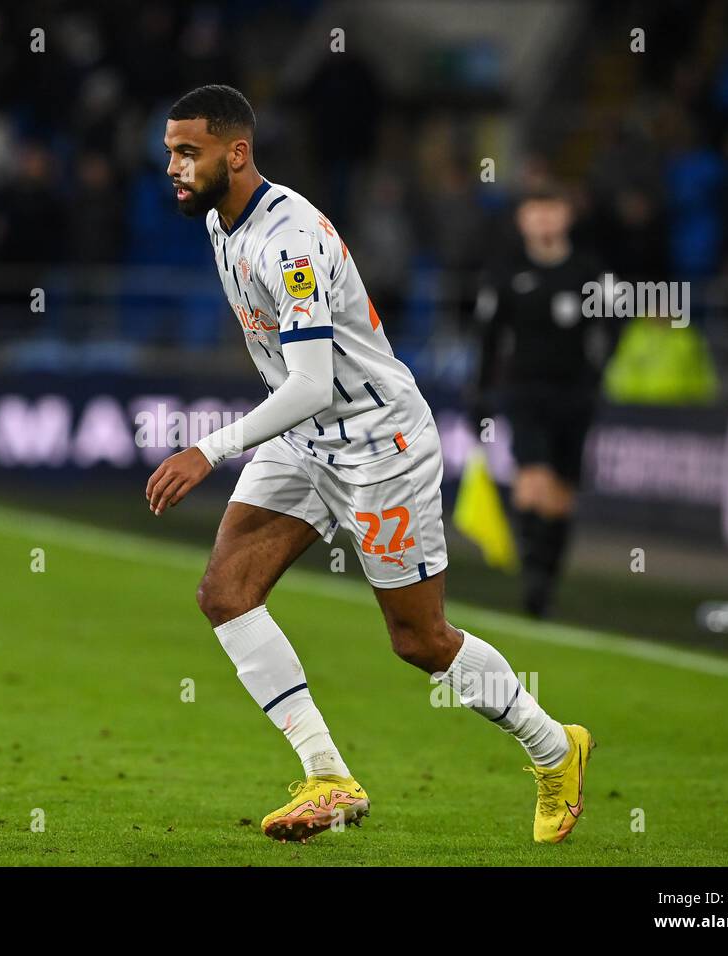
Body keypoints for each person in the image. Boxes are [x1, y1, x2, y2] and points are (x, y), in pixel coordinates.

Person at [146, 85, 594, 845]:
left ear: (237, 152)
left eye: (188, 153)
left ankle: (556, 749)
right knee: (225, 592)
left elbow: (314, 381)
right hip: (305, 440)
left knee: (419, 641)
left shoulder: (286, 238)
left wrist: (210, 447)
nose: (174, 169)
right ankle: (328, 776)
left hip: (377, 444)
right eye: (170, 154)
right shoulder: (223, 225)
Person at [473, 187, 612, 618]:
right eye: (536, 212)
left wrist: (597, 375)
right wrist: (481, 392)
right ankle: (532, 581)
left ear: (566, 215)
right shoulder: (506, 272)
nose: (545, 220)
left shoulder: (590, 272)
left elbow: (613, 329)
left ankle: (547, 580)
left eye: (553, 209)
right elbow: (489, 339)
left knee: (561, 493)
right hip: (525, 391)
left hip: (575, 395)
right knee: (533, 479)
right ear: (523, 220)